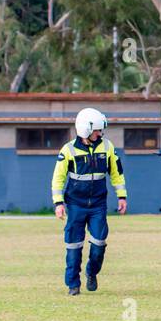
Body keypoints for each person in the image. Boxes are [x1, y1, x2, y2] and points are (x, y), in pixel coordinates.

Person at [51, 108, 127, 296]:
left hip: (98, 205)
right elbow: (58, 178)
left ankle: (92, 272)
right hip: (75, 205)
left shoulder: (107, 147)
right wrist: (58, 203)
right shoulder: (68, 150)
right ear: (85, 129)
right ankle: (73, 285)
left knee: (99, 243)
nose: (100, 134)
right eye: (97, 130)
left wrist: (122, 196)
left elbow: (117, 173)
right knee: (73, 245)